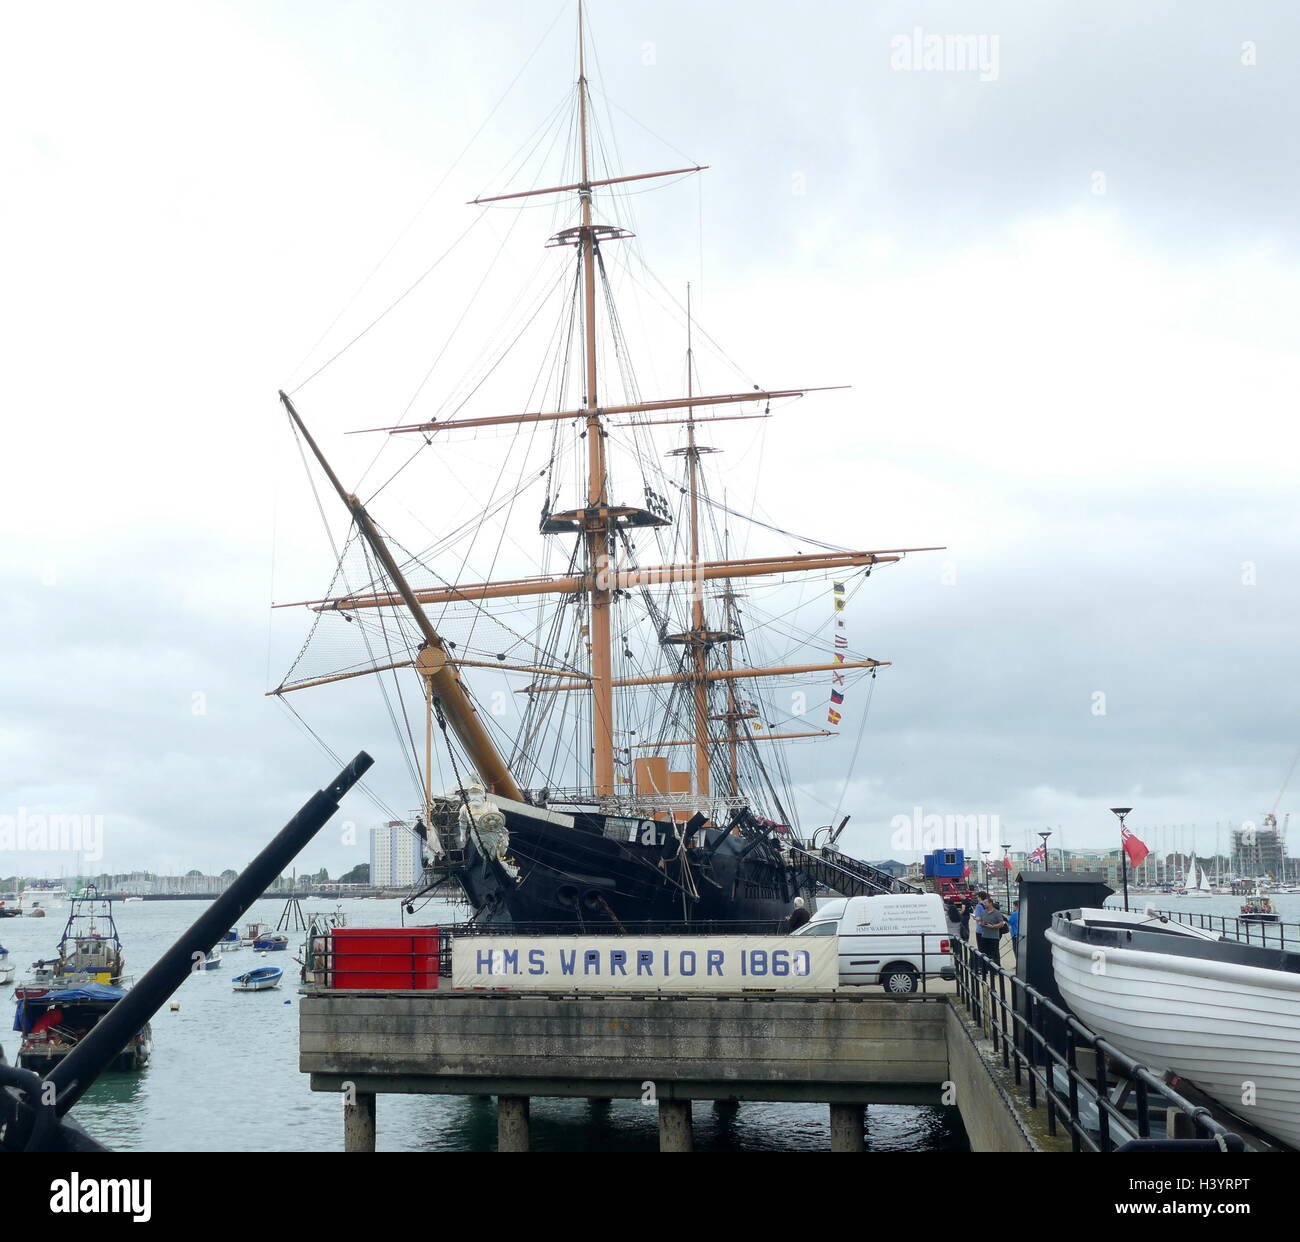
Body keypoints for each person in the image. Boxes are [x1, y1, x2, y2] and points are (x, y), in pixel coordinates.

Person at [977, 900, 1008, 974]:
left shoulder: (997, 913)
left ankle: (995, 970)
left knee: (995, 953)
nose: (984, 904)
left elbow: (1001, 924)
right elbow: (980, 921)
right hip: (984, 936)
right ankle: (984, 969)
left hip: (994, 937)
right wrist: (982, 924)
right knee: (984, 953)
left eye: (986, 903)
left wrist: (993, 926)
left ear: (990, 903)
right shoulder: (983, 912)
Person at [1007, 900, 1021, 967]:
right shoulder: (1022, 912)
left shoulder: (1014, 913)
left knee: (1015, 949)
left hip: (1015, 934)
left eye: (1014, 906)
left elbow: (1010, 922)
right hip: (1021, 934)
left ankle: (1018, 964)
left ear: (1016, 906)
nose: (1013, 907)